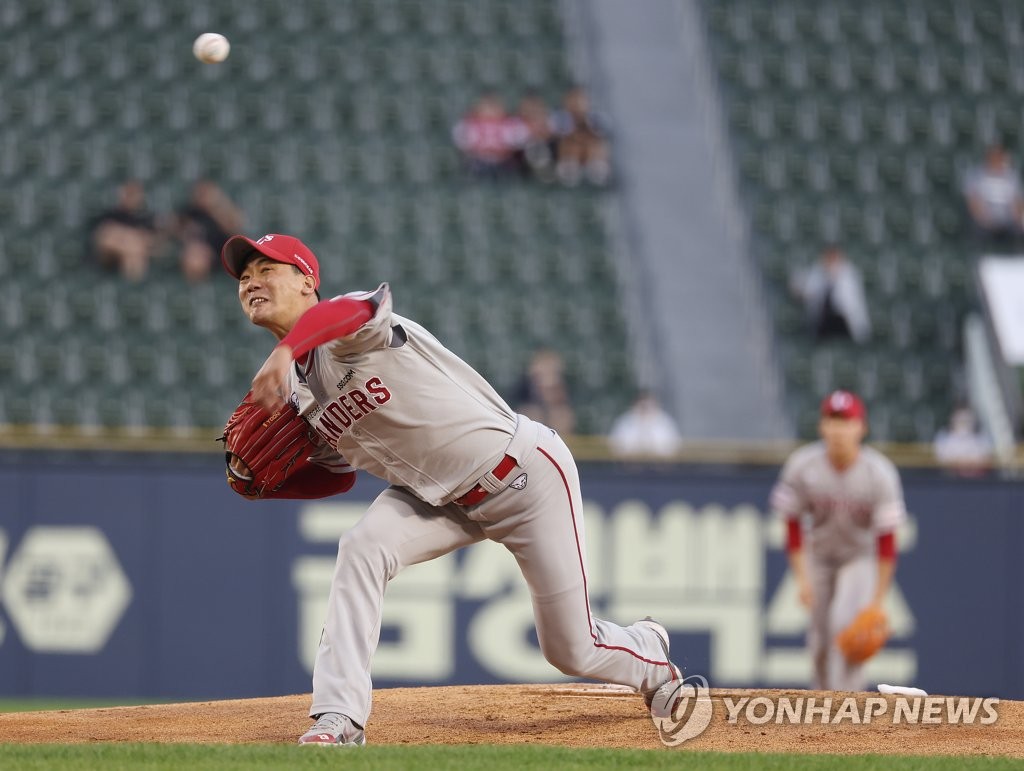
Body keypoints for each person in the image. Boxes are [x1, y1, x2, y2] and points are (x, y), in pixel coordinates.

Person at [220, 232, 681, 746]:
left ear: (308, 281)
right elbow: (340, 476)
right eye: (244, 276)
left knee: (571, 649)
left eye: (267, 269)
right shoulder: (300, 395)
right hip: (437, 499)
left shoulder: (350, 331)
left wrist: (286, 349)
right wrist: (264, 486)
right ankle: (339, 718)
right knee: (362, 547)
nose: (251, 282)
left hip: (523, 475)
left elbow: (357, 307)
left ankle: (650, 658)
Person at [769, 390, 906, 691]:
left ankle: (848, 711)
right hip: (819, 557)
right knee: (819, 640)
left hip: (859, 557)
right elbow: (791, 523)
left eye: (846, 421)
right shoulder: (803, 465)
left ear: (861, 427)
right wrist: (802, 578)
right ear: (822, 426)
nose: (839, 429)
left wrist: (877, 601)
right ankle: (822, 712)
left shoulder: (879, 473)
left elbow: (886, 542)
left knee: (845, 628)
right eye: (833, 420)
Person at [789, 245, 871, 343]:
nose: (830, 265)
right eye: (828, 260)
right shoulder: (818, 272)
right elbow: (804, 289)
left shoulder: (849, 275)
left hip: (845, 325)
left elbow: (848, 305)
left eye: (833, 260)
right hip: (823, 325)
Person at [173, 179, 245, 283]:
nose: (203, 197)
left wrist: (217, 205)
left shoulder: (220, 222)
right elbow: (173, 227)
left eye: (206, 193)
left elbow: (236, 225)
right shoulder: (189, 212)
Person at [86, 179, 158, 282]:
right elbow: (101, 239)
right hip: (109, 260)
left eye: (134, 194)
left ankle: (132, 286)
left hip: (137, 258)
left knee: (134, 253)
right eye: (128, 194)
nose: (131, 198)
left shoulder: (145, 219)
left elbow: (156, 244)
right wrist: (127, 239)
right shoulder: (110, 216)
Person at [451, 93, 530, 180]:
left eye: (493, 106)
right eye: (487, 106)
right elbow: (461, 142)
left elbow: (520, 140)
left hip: (504, 163)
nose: (490, 110)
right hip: (479, 163)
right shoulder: (469, 123)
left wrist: (503, 152)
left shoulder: (511, 123)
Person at [962, 143, 1024, 247]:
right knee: (977, 229)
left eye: (1001, 158)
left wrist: (1017, 218)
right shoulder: (977, 175)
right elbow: (973, 202)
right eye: (995, 157)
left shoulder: (1012, 177)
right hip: (984, 221)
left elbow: (1018, 202)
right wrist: (986, 219)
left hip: (1008, 221)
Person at [550, 86, 611, 187]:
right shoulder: (559, 118)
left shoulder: (596, 117)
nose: (577, 105)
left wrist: (584, 125)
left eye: (580, 101)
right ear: (566, 102)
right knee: (570, 144)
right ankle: (569, 168)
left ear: (587, 103)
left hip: (589, 153)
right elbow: (557, 135)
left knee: (595, 144)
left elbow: (601, 133)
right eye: (573, 101)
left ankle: (596, 167)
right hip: (568, 154)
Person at [514, 348, 576, 437]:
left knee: (561, 416)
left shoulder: (561, 384)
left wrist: (550, 391)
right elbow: (520, 406)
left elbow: (562, 404)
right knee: (532, 415)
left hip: (552, 413)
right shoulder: (524, 385)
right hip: (533, 413)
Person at [607, 390, 683, 459]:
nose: (645, 407)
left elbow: (675, 447)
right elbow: (615, 447)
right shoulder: (624, 422)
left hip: (661, 468)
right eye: (642, 403)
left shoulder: (666, 422)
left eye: (648, 404)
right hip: (629, 468)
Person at [932, 406, 993, 477]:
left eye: (966, 420)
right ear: (953, 420)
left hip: (978, 481)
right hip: (951, 481)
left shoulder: (981, 439)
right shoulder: (945, 439)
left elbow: (986, 459)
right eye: (961, 420)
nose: (963, 423)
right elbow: (942, 460)